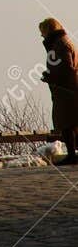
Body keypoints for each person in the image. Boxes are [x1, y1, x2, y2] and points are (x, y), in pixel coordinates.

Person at [40, 18, 78, 164]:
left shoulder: (60, 45)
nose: (42, 36)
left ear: (48, 31)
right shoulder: (61, 43)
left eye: (42, 32)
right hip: (67, 89)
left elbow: (67, 68)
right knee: (70, 123)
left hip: (67, 91)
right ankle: (72, 154)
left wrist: (51, 77)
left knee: (67, 123)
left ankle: (72, 155)